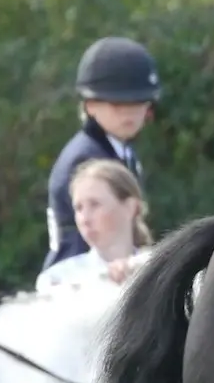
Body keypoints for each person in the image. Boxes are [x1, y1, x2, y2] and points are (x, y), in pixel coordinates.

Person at [45, 37, 159, 271]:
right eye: (118, 104)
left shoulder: (122, 149)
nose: (130, 114)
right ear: (90, 106)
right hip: (81, 274)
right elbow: (89, 236)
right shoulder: (87, 160)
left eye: (138, 103)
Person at [37, 160, 152, 293]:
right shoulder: (57, 279)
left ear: (130, 207)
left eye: (95, 204)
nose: (84, 219)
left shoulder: (159, 269)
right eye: (79, 208)